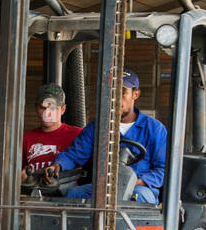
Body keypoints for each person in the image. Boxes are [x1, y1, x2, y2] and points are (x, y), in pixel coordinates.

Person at [46, 69, 167, 203]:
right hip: (103, 188)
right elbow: (75, 153)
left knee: (139, 197)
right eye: (112, 92)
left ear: (135, 94)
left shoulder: (154, 129)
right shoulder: (98, 127)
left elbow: (163, 169)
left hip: (139, 188)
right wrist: (58, 165)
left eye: (122, 92)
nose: (116, 99)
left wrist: (137, 182)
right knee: (73, 194)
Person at [21, 83, 84, 178]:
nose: (47, 113)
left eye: (53, 108)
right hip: (33, 191)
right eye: (43, 107)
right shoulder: (25, 139)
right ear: (36, 108)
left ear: (63, 109)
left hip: (66, 191)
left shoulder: (78, 135)